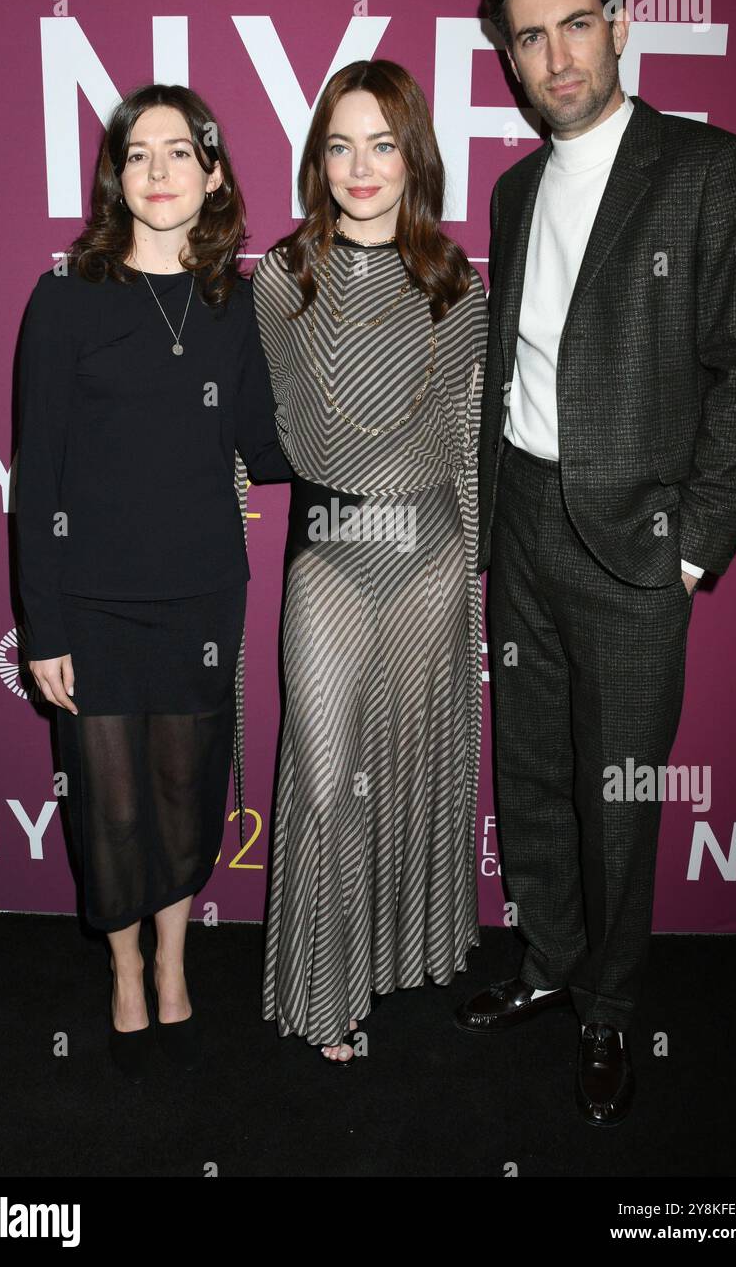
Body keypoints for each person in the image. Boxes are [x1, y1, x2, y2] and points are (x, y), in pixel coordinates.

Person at [457, 0, 736, 1125]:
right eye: (527, 37)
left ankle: (609, 1008)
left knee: (617, 795)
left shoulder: (705, 168)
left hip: (637, 543)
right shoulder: (512, 186)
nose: (553, 55)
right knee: (533, 773)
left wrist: (691, 547)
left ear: (617, 19)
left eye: (572, 24)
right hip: (525, 520)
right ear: (509, 54)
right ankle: (547, 963)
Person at [14, 83, 292, 1083]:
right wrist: (43, 627)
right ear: (115, 178)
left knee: (182, 799)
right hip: (90, 605)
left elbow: (266, 448)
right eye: (139, 154)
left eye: (181, 152)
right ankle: (125, 967)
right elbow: (33, 476)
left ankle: (175, 957)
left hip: (202, 598)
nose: (161, 170)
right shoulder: (63, 300)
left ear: (213, 173)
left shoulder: (235, 305)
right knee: (111, 806)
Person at [253, 60, 489, 1062]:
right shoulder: (280, 277)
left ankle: (375, 973)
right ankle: (323, 987)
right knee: (323, 780)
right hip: (331, 560)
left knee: (395, 776)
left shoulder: (453, 282)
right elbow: (256, 420)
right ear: (319, 159)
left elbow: (469, 435)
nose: (360, 166)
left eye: (381, 143)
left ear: (413, 156)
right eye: (339, 145)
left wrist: (476, 576)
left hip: (430, 558)